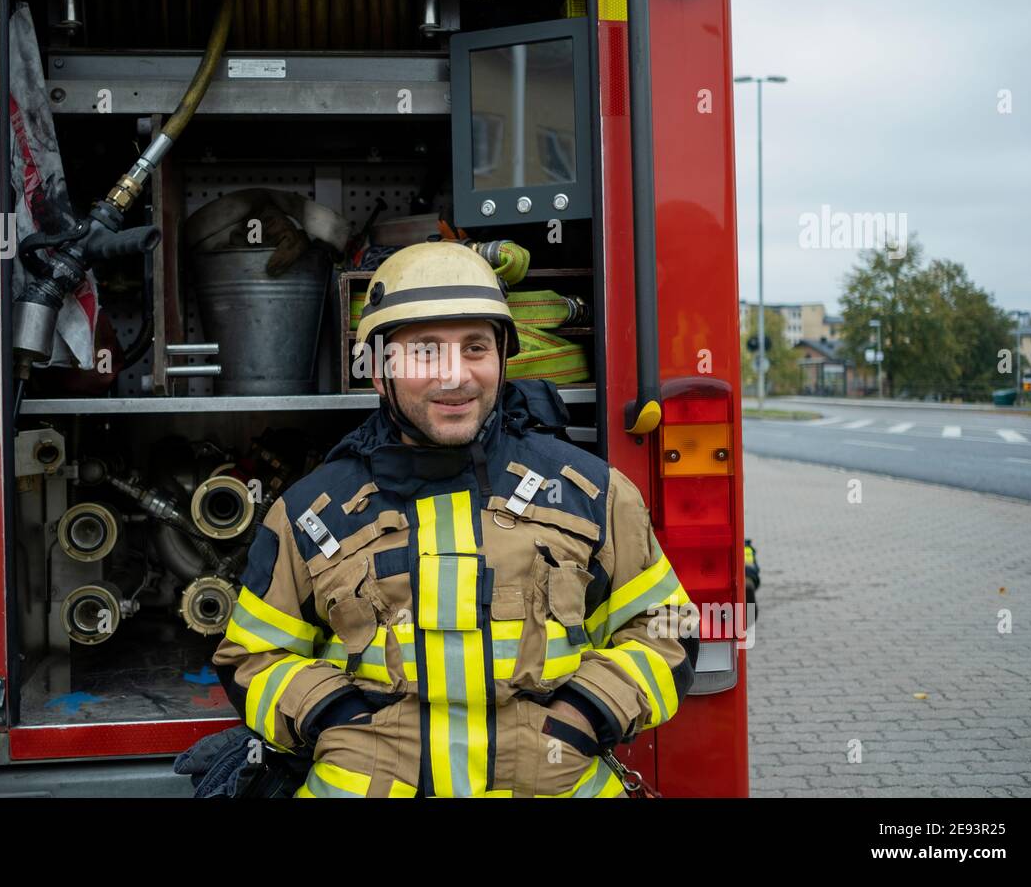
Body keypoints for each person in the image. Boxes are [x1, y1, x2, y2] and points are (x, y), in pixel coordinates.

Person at [212, 241, 698, 797]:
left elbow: (668, 631)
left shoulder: (592, 494)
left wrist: (583, 716)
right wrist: (335, 718)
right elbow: (252, 654)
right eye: (424, 352)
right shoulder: (307, 514)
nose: (456, 377)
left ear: (502, 360)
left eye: (475, 347)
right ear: (379, 373)